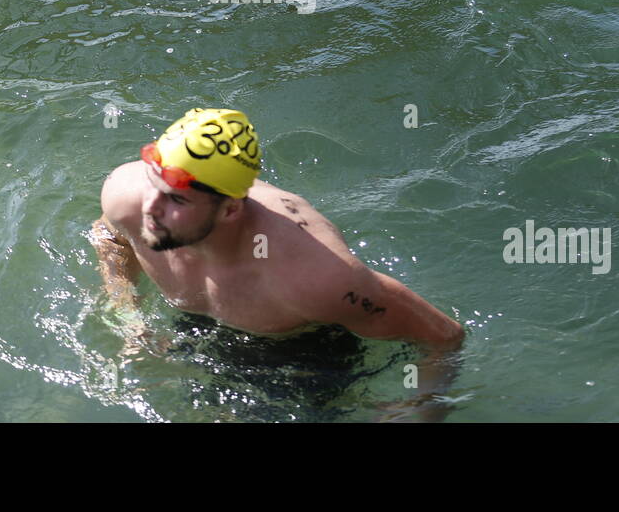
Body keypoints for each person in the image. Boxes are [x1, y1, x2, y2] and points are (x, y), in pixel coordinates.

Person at [92, 107, 464, 418]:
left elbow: (443, 337)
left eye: (177, 201)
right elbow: (111, 238)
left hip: (301, 351)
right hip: (197, 328)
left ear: (231, 209)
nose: (150, 209)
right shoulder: (126, 199)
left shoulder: (317, 278)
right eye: (152, 184)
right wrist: (128, 315)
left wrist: (413, 410)